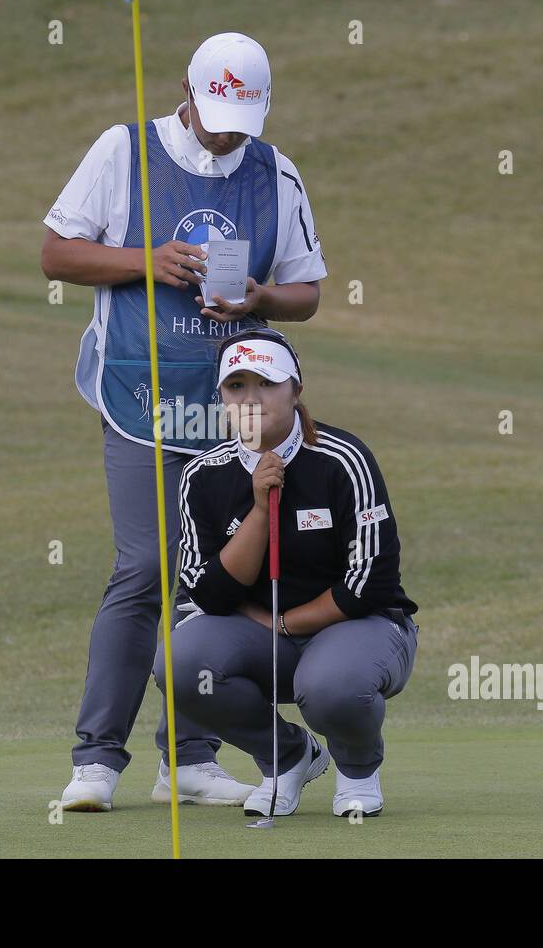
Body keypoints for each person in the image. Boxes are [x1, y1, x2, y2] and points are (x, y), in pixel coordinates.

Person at [40, 32, 328, 811]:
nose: (229, 130)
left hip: (234, 413)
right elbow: (57, 254)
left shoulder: (277, 172)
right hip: (141, 400)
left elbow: (307, 291)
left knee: (213, 586)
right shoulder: (122, 150)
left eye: (242, 117)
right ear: (186, 92)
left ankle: (190, 760)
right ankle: (97, 761)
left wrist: (260, 301)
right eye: (217, 112)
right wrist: (147, 261)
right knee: (145, 571)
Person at [154, 327, 419, 817]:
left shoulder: (343, 459)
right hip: (264, 638)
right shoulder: (204, 475)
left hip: (360, 628)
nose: (251, 398)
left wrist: (282, 623)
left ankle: (358, 770)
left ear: (296, 391)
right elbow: (207, 594)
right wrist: (258, 511)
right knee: (182, 662)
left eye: (267, 384)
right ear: (220, 398)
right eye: (236, 387)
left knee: (332, 685)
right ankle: (288, 756)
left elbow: (370, 582)